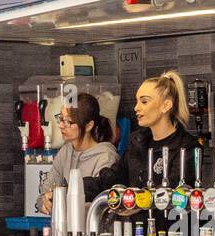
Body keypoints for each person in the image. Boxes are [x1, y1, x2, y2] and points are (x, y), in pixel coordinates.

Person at [83, 71, 198, 199]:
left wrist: (134, 205)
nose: (136, 108)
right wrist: (73, 187)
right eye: (136, 101)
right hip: (134, 219)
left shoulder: (187, 147)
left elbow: (172, 196)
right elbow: (111, 180)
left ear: (166, 106)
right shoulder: (137, 141)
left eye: (144, 102)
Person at [38, 93, 119, 215]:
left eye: (68, 122)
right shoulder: (65, 151)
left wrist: (61, 201)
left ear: (88, 126)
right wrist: (46, 201)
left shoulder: (105, 157)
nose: (60, 125)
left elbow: (102, 204)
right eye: (60, 119)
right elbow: (44, 193)